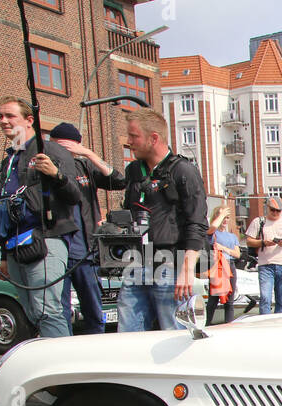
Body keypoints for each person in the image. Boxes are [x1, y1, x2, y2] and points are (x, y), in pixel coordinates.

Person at [0, 97, 83, 338]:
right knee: (32, 312)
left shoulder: (50, 150)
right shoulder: (8, 160)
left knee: (47, 310)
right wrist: (3, 255)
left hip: (46, 240)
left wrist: (56, 174)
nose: (3, 121)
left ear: (29, 119)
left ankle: (63, 369)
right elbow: (5, 211)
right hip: (14, 247)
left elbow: (74, 195)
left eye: (10, 116)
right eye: (0, 116)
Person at [118, 107, 208, 331]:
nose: (128, 141)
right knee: (127, 332)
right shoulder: (133, 172)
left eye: (134, 136)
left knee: (173, 335)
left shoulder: (183, 170)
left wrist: (187, 270)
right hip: (137, 261)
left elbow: (197, 222)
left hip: (170, 262)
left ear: (154, 138)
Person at [47, 121, 125, 335]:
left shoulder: (84, 167)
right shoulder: (45, 168)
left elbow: (118, 180)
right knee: (59, 312)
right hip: (57, 250)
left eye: (67, 147)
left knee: (93, 308)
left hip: (85, 253)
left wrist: (88, 153)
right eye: (57, 146)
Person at [245, 197, 282, 314]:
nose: (275, 213)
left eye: (278, 210)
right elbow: (249, 241)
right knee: (265, 298)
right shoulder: (259, 222)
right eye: (272, 210)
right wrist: (263, 242)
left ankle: (279, 325)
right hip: (266, 265)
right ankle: (265, 324)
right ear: (267, 208)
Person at [206, 205, 241, 325]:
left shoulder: (232, 236)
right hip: (218, 267)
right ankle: (206, 324)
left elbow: (237, 254)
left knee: (230, 300)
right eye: (223, 217)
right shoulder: (212, 233)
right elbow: (210, 230)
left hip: (230, 266)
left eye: (227, 217)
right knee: (214, 298)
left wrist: (224, 248)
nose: (225, 220)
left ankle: (228, 325)